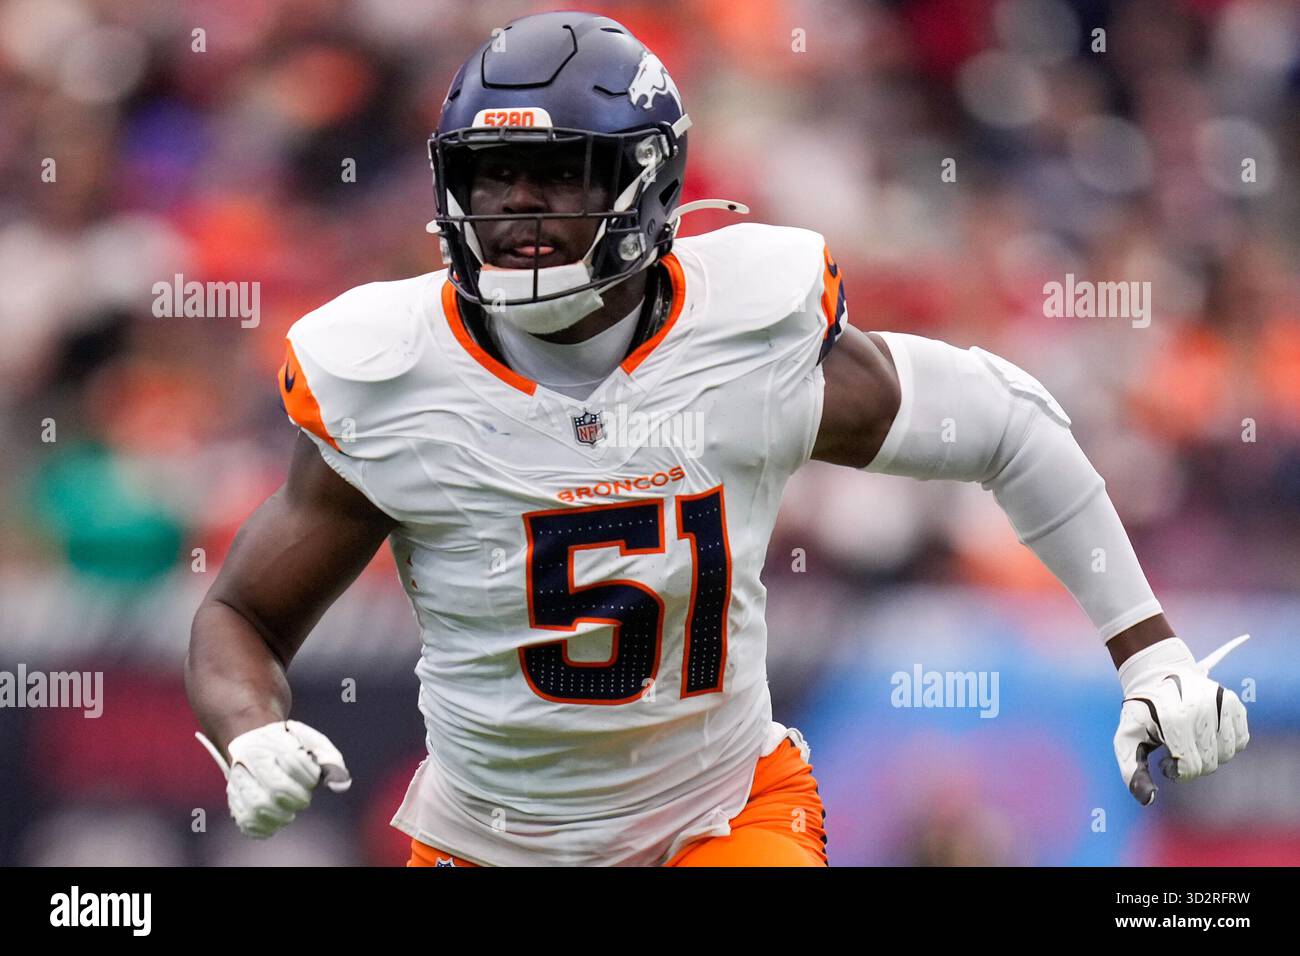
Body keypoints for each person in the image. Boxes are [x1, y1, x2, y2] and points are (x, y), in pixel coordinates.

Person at [184, 11, 1249, 867]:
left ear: (644, 180)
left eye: (558, 174)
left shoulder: (748, 334)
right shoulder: (386, 372)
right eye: (490, 177)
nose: (516, 206)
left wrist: (1146, 646)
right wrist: (249, 730)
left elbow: (1007, 423)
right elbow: (241, 614)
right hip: (488, 841)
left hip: (723, 813)